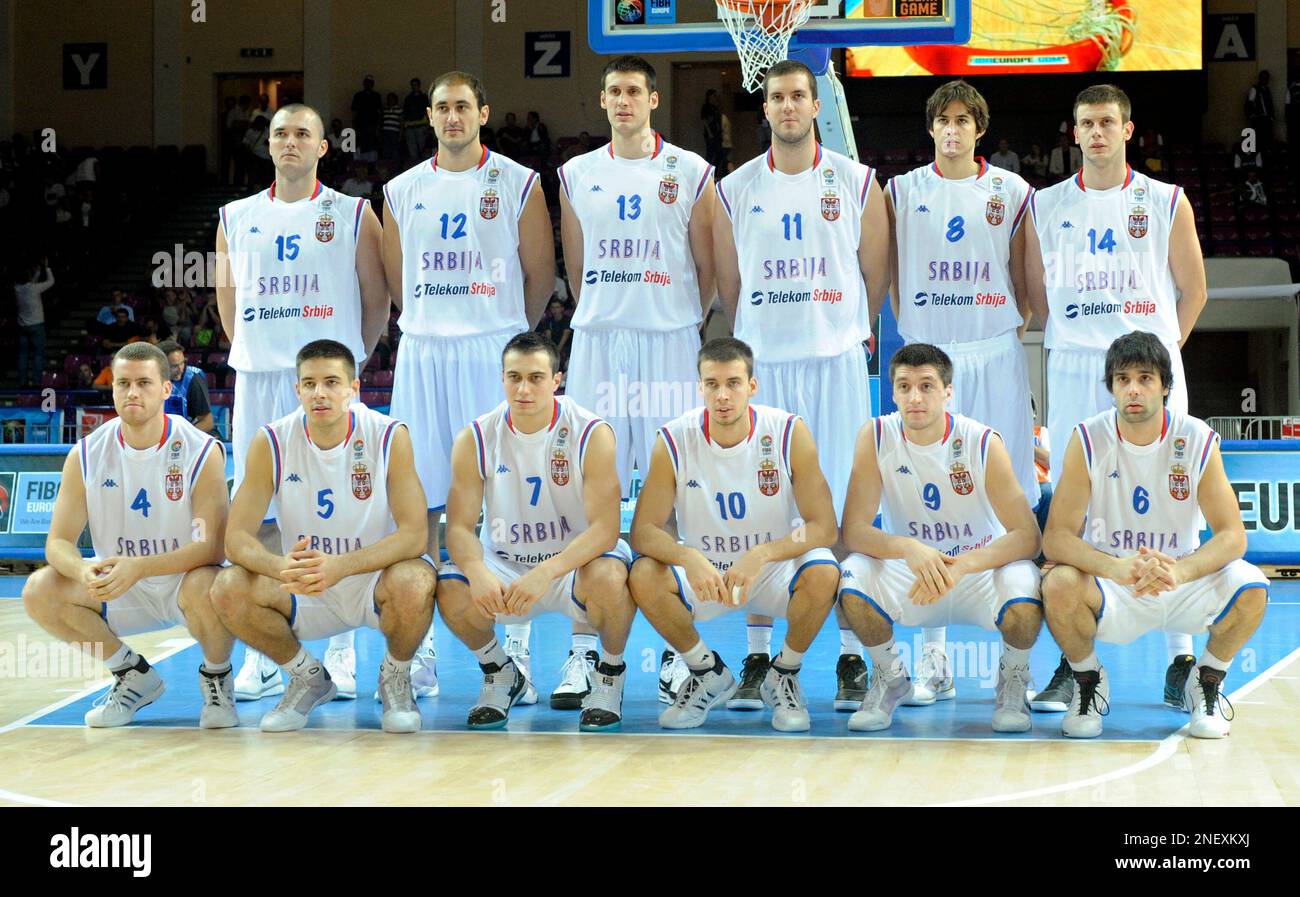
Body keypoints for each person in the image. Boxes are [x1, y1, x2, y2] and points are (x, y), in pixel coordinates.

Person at [713, 59, 889, 711]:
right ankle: (759, 656)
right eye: (776, 97)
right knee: (765, 506)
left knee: (844, 505)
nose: (787, 106)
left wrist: (843, 327)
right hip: (770, 367)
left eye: (798, 97)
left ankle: (849, 657)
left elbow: (876, 275)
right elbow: (730, 289)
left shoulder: (856, 181)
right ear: (764, 110)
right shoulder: (733, 189)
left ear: (817, 107)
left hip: (835, 361)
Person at [1025, 84, 1209, 700]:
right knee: (1075, 511)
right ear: (1072, 134)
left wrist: (1160, 365)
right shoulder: (1045, 205)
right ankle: (1075, 661)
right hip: (1077, 364)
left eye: (1108, 122)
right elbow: (1035, 296)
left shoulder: (1165, 200)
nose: (1097, 132)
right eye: (1086, 123)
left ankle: (1181, 656)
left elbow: (1195, 292)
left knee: (1168, 503)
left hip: (1149, 374)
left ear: (1128, 131)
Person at [384, 70, 554, 700]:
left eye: (463, 107)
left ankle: (517, 652)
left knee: (507, 505)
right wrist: (437, 324)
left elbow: (539, 275)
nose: (452, 117)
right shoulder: (401, 190)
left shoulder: (517, 183)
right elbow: (400, 286)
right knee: (422, 508)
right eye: (441, 108)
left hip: (492, 349)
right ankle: (419, 652)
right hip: (425, 352)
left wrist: (501, 335)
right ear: (428, 117)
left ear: (484, 113)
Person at [216, 102, 390, 701]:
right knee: (262, 518)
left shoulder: (352, 213)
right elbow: (228, 301)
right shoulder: (235, 216)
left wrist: (349, 365)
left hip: (328, 384)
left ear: (323, 147)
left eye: (302, 134)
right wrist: (259, 354)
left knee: (340, 512)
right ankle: (265, 657)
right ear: (268, 145)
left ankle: (341, 649)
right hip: (262, 378)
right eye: (280, 133)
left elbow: (376, 299)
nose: (290, 142)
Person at [558, 55, 717, 705]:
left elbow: (705, 271)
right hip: (599, 341)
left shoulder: (690, 171)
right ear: (602, 102)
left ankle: (675, 653)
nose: (624, 101)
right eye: (614, 92)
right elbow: (575, 268)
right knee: (587, 493)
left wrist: (676, 319)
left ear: (653, 99)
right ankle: (580, 651)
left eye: (634, 92)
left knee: (669, 500)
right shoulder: (576, 175)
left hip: (669, 338)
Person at [884, 80, 1038, 705]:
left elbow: (1026, 285)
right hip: (930, 357)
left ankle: (1013, 666)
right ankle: (935, 659)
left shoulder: (1011, 191)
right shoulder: (900, 191)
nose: (952, 129)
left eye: (963, 120)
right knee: (928, 505)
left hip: (993, 352)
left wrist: (998, 329)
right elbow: (888, 275)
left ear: (980, 128)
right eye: (942, 119)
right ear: (930, 129)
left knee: (1006, 502)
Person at [1041, 332, 1268, 738]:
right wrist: (1115, 567)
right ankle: (1088, 680)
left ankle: (1207, 682)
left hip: (1179, 578)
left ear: (1165, 386)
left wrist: (1181, 571)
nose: (1133, 388)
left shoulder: (1195, 437)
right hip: (1115, 585)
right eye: (1122, 378)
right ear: (1110, 387)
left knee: (1252, 586)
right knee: (1058, 582)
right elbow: (1056, 538)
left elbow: (1233, 536)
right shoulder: (1088, 439)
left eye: (1145, 378)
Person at [210, 340, 436, 733]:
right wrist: (280, 567)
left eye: (332, 382)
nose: (320, 393)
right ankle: (305, 676)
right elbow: (237, 539)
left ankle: (395, 677)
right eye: (309, 383)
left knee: (416, 577)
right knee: (227, 587)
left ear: (354, 389)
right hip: (305, 583)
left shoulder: (388, 436)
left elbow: (415, 535)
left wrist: (342, 566)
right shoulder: (271, 441)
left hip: (370, 582)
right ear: (297, 390)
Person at [628, 337, 840, 731]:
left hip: (772, 568)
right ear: (700, 387)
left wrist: (761, 554)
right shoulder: (673, 439)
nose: (722, 395)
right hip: (708, 572)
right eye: (712, 384)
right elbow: (643, 532)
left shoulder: (788, 431)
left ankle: (784, 674)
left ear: (752, 386)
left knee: (824, 570)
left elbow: (824, 526)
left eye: (733, 383)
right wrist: (688, 557)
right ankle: (707, 673)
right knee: (643, 574)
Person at [22, 342, 234, 728]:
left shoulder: (200, 450)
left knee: (218, 585)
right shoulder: (86, 454)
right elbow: (57, 544)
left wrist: (141, 566)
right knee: (40, 590)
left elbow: (211, 546)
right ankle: (131, 673)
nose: (132, 392)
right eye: (123, 383)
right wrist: (82, 571)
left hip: (185, 585)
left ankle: (217, 679)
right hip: (120, 586)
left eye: (143, 383)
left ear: (167, 390)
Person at [837, 343, 1041, 733]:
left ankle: (1012, 681)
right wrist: (908, 548)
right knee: (851, 574)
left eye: (927, 386)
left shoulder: (981, 441)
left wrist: (962, 564)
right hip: (914, 574)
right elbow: (854, 529)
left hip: (976, 574)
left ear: (948, 392)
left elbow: (1027, 536)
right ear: (893, 392)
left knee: (1025, 583)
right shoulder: (876, 437)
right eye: (904, 386)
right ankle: (890, 677)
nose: (915, 397)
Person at [437, 332, 636, 730]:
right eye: (514, 377)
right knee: (449, 584)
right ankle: (500, 672)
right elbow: (458, 527)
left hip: (572, 567)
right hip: (506, 565)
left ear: (556, 380)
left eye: (535, 377)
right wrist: (477, 572)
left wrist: (547, 572)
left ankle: (609, 677)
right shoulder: (476, 437)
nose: (524, 388)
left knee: (612, 575)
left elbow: (606, 530)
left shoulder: (590, 432)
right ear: (502, 378)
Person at [158, 339, 214, 434]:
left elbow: (207, 422)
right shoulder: (152, 378)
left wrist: (180, 438)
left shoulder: (193, 379)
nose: (181, 369)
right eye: (174, 366)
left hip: (189, 433)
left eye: (183, 363)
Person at [15, 257, 54, 387]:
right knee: (38, 354)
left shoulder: (17, 289)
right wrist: (46, 268)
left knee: (23, 355)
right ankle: (37, 382)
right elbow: (51, 281)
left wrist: (37, 273)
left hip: (22, 326)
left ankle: (22, 382)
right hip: (36, 326)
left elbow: (30, 283)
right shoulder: (33, 288)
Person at [351, 75, 382, 163]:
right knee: (361, 146)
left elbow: (379, 112)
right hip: (361, 126)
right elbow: (354, 112)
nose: (368, 84)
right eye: (366, 82)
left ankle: (371, 168)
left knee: (372, 147)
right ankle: (362, 168)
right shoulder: (358, 96)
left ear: (373, 84)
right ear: (363, 84)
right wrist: (354, 127)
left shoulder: (376, 96)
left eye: (370, 83)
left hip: (372, 127)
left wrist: (378, 127)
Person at [402, 78, 431, 162]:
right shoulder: (408, 98)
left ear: (419, 85)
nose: (414, 87)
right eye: (413, 85)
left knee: (423, 148)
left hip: (421, 126)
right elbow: (405, 112)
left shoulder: (424, 98)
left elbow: (428, 111)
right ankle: (415, 166)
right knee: (412, 149)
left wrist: (427, 126)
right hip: (410, 127)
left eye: (416, 85)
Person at [382, 92, 403, 162]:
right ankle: (387, 166)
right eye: (389, 99)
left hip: (395, 132)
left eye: (392, 99)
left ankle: (395, 168)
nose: (390, 100)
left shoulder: (399, 109)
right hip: (385, 132)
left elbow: (401, 123)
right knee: (386, 150)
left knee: (395, 150)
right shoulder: (385, 109)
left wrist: (400, 135)